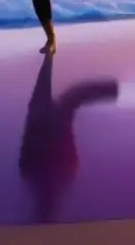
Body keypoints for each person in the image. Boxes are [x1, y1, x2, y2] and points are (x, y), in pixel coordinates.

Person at [18, 54, 119, 223]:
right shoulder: (53, 175)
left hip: (44, 142)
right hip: (46, 143)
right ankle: (50, 54)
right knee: (65, 98)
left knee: (64, 98)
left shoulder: (46, 175)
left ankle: (50, 54)